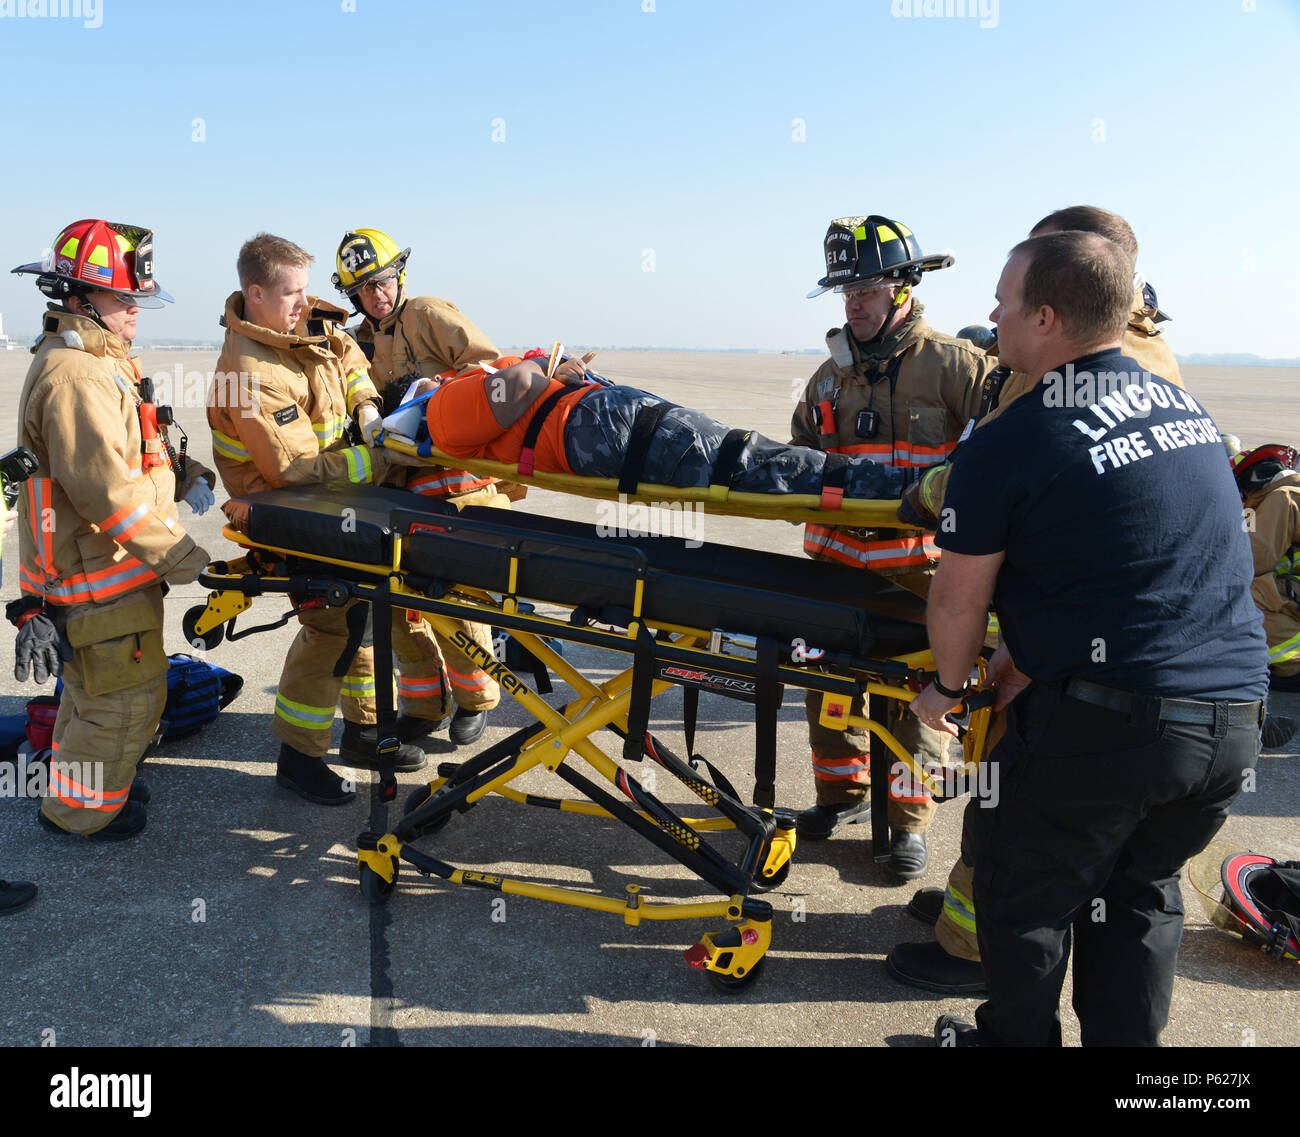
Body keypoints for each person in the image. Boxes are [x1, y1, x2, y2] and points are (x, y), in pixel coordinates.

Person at [911, 230, 1267, 1046]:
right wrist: (1033, 652)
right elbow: (1138, 562)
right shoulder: (1187, 411)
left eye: (1003, 300)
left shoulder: (1012, 437)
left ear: (1045, 318)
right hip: (1230, 724)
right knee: (1138, 896)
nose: (991, 314)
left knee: (1021, 893)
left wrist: (951, 688)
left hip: (1114, 727)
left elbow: (957, 601)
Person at [889, 205, 1190, 994]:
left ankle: (979, 949)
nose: (997, 314)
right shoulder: (1114, 355)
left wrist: (934, 491)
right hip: (1076, 626)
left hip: (1088, 649)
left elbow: (1036, 471)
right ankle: (976, 917)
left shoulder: (1121, 365)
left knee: (1026, 804)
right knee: (1008, 786)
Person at [790, 215, 990, 878]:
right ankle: (841, 796)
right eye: (846, 290)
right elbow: (795, 462)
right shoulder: (825, 378)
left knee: (919, 705)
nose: (855, 301)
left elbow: (1003, 454)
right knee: (830, 694)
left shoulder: (956, 366)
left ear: (903, 285)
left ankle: (907, 824)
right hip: (835, 571)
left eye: (868, 287)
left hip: (921, 578)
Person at [207, 233, 432, 806]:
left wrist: (368, 407)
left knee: (362, 612)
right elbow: (291, 468)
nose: (306, 304)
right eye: (294, 293)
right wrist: (383, 456)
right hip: (284, 507)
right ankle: (298, 758)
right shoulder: (250, 371)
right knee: (331, 627)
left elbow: (349, 356)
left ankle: (360, 732)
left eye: (308, 290)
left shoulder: (301, 320)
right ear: (255, 293)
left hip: (333, 497)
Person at [10, 219, 213, 840]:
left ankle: (85, 785)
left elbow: (131, 461)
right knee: (121, 701)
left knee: (89, 693)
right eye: (125, 299)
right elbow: (106, 494)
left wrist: (184, 475)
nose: (135, 313)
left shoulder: (100, 364)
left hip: (104, 571)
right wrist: (187, 559)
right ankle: (80, 813)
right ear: (80, 298)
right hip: (100, 574)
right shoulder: (80, 375)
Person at [333, 228, 505, 746]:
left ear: (399, 275)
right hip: (398, 489)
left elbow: (490, 369)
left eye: (381, 282)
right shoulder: (358, 340)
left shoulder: (429, 314)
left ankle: (477, 700)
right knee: (399, 608)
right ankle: (424, 704)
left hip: (459, 483)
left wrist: (439, 395)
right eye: (362, 290)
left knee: (459, 598)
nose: (375, 296)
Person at [401, 354, 921, 502]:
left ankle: (887, 485)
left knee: (749, 461)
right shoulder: (441, 407)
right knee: (751, 463)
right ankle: (904, 486)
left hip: (601, 422)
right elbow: (516, 384)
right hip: (597, 426)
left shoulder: (450, 406)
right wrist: (540, 367)